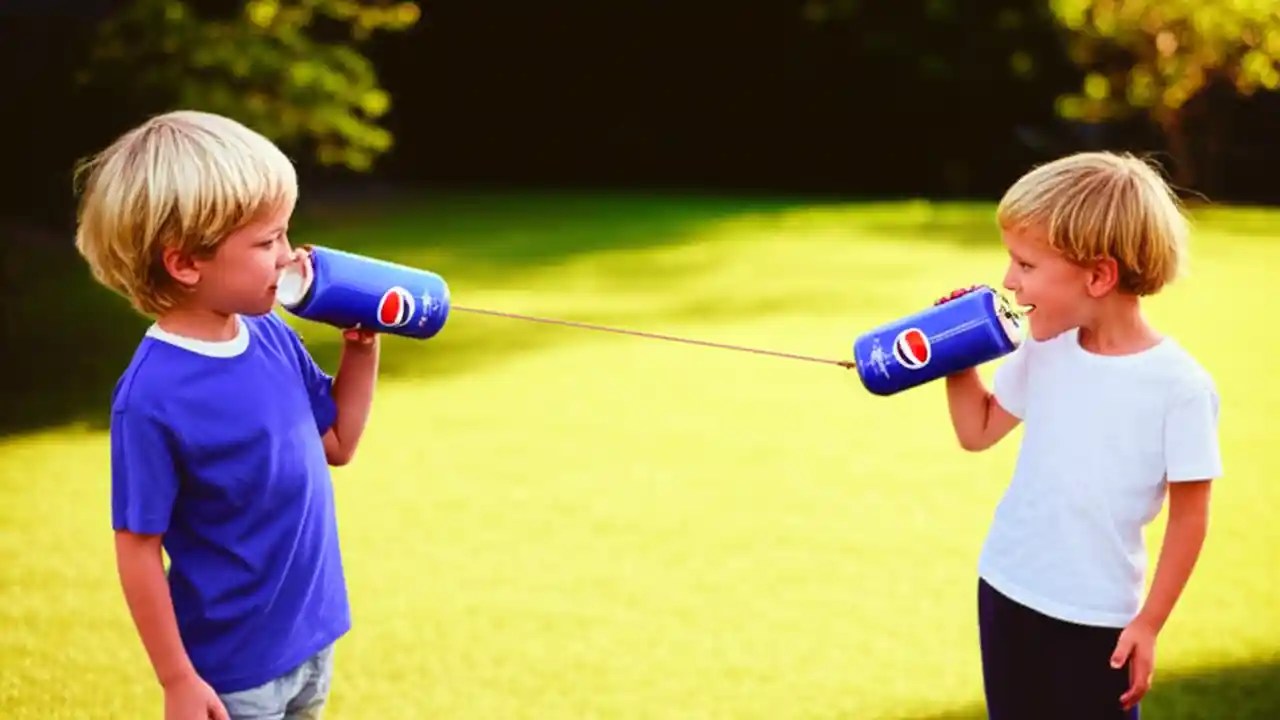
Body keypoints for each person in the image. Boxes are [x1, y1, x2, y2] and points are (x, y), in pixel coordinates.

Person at [74, 110, 381, 719]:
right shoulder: (152, 397)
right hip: (234, 673)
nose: (288, 257)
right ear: (186, 263)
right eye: (268, 243)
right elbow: (137, 549)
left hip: (311, 639)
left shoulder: (268, 333)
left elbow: (338, 442)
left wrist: (361, 348)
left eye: (284, 234)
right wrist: (177, 679)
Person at [941, 151, 1222, 719]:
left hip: (1099, 623)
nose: (1008, 281)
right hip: (1006, 589)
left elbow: (1191, 516)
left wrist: (1149, 623)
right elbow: (978, 430)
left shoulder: (1180, 388)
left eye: (1025, 264)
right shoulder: (1046, 350)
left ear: (1098, 275)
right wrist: (957, 358)